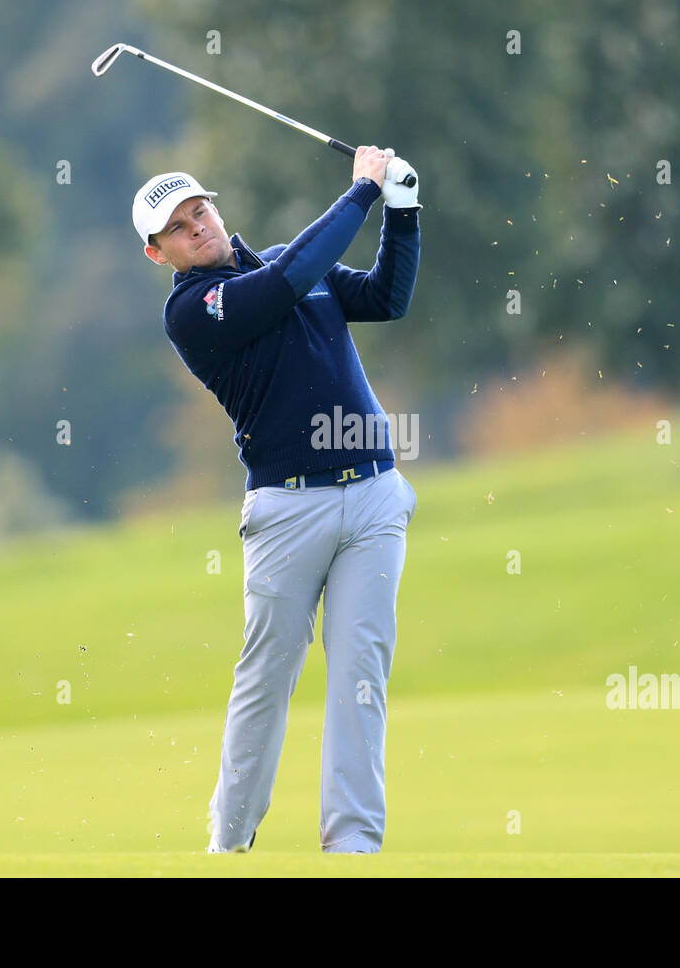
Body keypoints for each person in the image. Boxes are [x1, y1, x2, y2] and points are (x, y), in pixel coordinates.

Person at [132, 145, 422, 854]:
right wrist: (362, 191)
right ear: (158, 253)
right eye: (178, 226)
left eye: (200, 208)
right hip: (288, 511)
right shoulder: (194, 310)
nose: (197, 225)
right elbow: (290, 280)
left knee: (361, 671)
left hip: (375, 494)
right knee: (267, 675)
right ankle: (228, 843)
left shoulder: (289, 266)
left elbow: (386, 298)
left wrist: (404, 212)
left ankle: (352, 846)